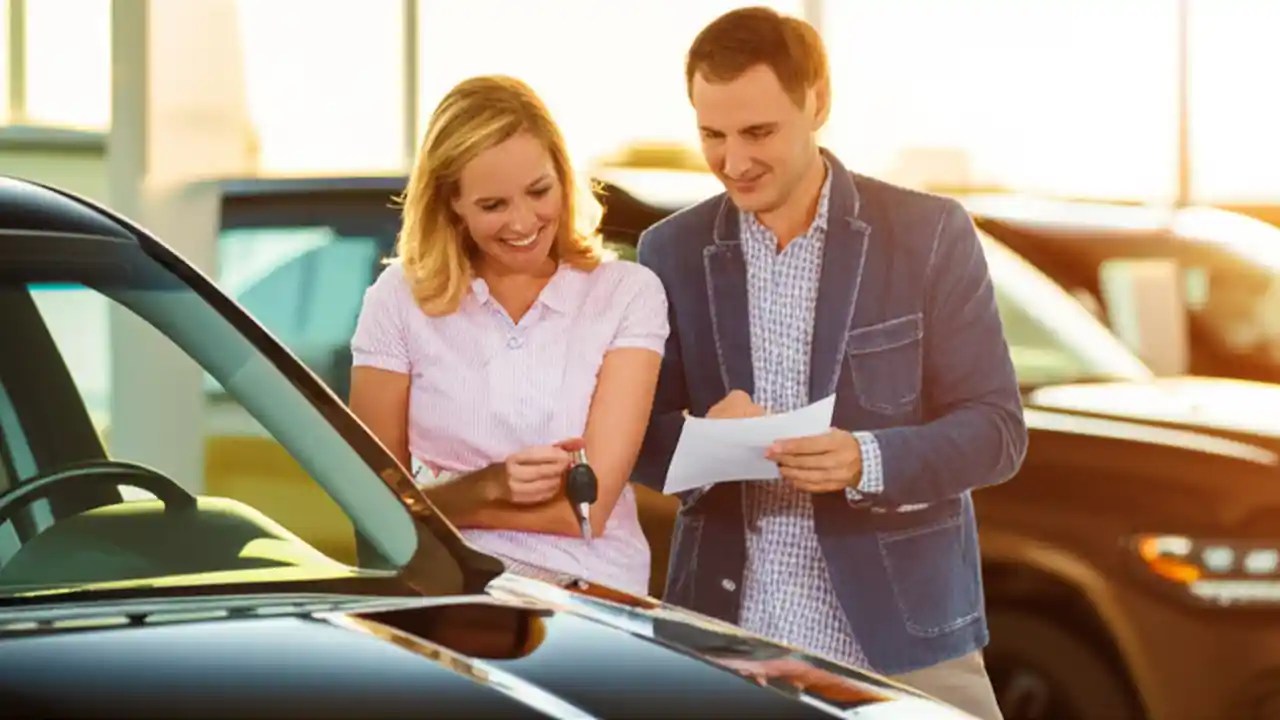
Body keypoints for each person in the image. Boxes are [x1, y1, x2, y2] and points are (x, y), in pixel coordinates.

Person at [633, 8, 1026, 720]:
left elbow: (997, 431)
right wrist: (703, 439)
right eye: (711, 135)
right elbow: (634, 438)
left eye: (758, 133)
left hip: (904, 638)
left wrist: (864, 459)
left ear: (818, 102)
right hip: (727, 633)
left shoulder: (929, 234)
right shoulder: (670, 251)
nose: (733, 161)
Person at [349, 75, 668, 596]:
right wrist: (490, 484)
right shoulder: (398, 299)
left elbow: (585, 511)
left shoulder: (627, 294)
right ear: (452, 203)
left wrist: (435, 504)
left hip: (593, 597)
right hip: (451, 592)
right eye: (493, 205)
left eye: (539, 191)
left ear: (564, 177)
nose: (523, 222)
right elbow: (370, 507)